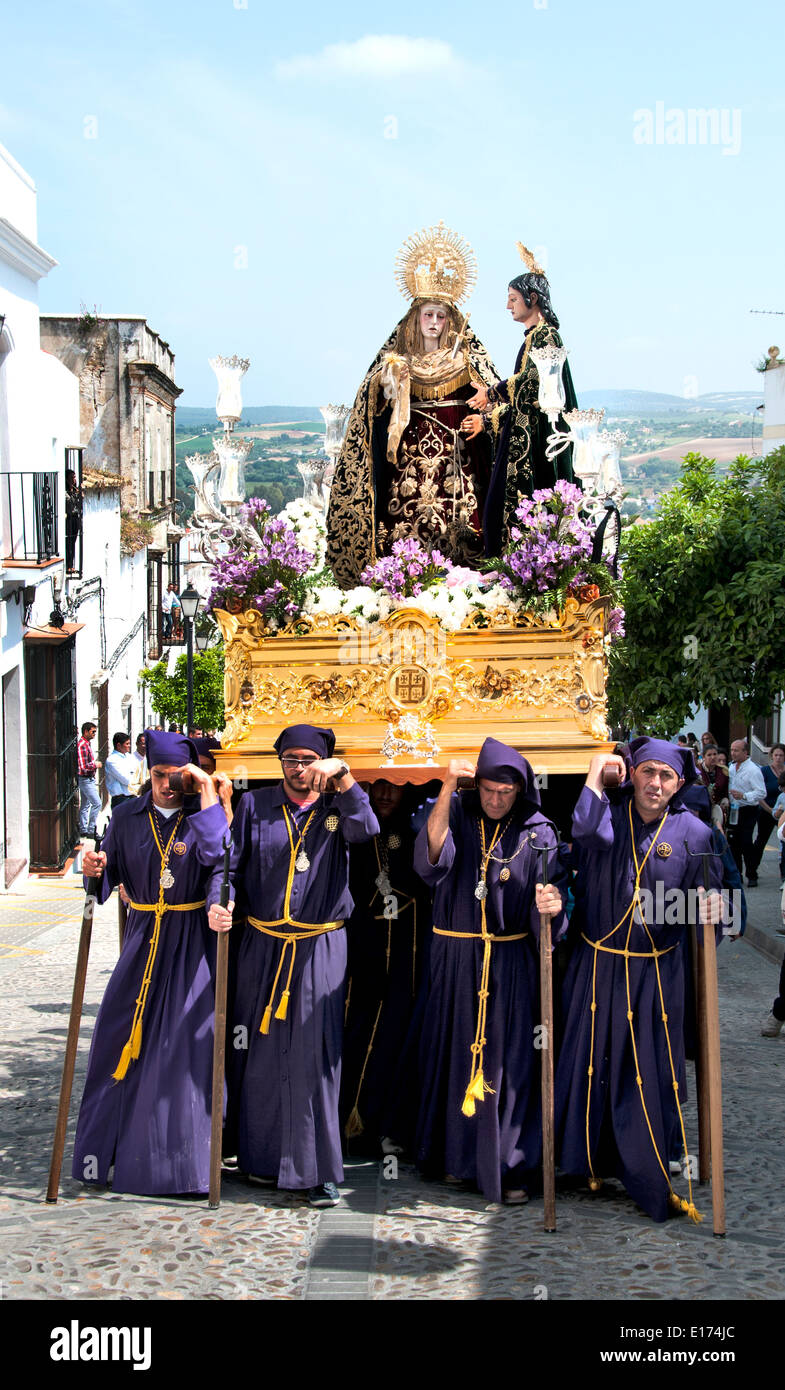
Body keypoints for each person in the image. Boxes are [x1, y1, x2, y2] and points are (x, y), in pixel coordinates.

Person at [208, 724, 379, 1207]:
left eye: (308, 760)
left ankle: (317, 1168)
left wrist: (343, 778)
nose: (298, 768)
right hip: (261, 945)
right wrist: (217, 903)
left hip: (320, 946)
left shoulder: (338, 805)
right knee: (257, 1055)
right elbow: (229, 868)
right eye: (290, 759)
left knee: (315, 1055)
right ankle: (260, 1160)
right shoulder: (254, 806)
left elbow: (367, 830)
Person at [555, 738, 723, 1224]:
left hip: (656, 972)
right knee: (589, 1060)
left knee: (648, 1067)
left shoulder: (698, 834)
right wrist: (594, 772)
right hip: (599, 965)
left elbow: (713, 900)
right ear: (633, 774)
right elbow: (582, 829)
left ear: (679, 784)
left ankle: (646, 1164)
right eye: (647, 772)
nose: (654, 784)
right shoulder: (609, 816)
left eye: (665, 777)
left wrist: (712, 907)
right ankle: (583, 1160)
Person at [71, 730, 228, 1195]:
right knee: (118, 1042)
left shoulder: (203, 815)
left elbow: (220, 859)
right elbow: (107, 876)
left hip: (191, 947)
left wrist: (204, 794)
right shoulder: (125, 817)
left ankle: (181, 1167)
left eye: (174, 777)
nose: (165, 785)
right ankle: (108, 1154)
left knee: (183, 1052)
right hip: (141, 945)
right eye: (158, 775)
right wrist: (95, 872)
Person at [409, 739, 566, 1204]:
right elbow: (431, 856)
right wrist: (447, 786)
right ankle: (455, 1160)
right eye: (488, 790)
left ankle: (509, 1165)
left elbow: (555, 898)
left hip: (509, 964)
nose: (495, 800)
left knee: (509, 1063)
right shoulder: (454, 812)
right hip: (454, 959)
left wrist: (552, 906)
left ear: (520, 791)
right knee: (453, 1054)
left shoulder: (539, 832)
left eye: (505, 792)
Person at [326, 221, 499, 585]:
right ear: (415, 319)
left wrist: (484, 422)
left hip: (458, 461)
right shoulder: (398, 356)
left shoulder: (467, 358)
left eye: (441, 316)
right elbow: (370, 403)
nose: (434, 323)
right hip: (408, 465)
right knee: (402, 534)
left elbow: (494, 399)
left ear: (450, 320)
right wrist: (390, 381)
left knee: (463, 535)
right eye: (428, 315)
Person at [463, 246, 578, 555]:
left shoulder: (546, 337)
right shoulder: (533, 338)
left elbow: (530, 384)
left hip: (540, 442)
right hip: (525, 437)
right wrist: (490, 416)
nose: (507, 306)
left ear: (533, 299)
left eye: (513, 299)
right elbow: (522, 401)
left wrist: (491, 393)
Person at [340, 779, 430, 1154]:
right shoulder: (350, 830)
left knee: (400, 1033)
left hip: (409, 952)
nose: (385, 794)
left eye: (394, 786)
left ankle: (391, 1126)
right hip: (363, 951)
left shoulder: (418, 829)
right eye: (377, 785)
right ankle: (349, 1121)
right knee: (358, 1030)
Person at [727, 738, 767, 886]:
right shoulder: (731, 767)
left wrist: (744, 795)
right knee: (734, 843)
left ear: (745, 752)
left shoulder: (753, 770)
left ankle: (752, 874)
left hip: (748, 809)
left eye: (736, 750)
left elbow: (761, 793)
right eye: (732, 750)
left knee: (746, 842)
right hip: (734, 809)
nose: (733, 753)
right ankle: (737, 874)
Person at [748, 743, 785, 880]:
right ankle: (752, 871)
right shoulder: (764, 771)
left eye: (781, 755)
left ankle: (784, 873)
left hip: (783, 813)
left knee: (784, 841)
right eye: (776, 755)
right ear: (771, 756)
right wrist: (770, 810)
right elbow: (759, 793)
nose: (778, 758)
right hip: (766, 810)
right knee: (761, 841)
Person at [77, 721, 101, 837]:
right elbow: (82, 766)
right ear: (86, 731)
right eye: (93, 732)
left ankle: (83, 829)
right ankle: (91, 830)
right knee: (97, 803)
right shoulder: (82, 745)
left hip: (88, 778)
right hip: (85, 779)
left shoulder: (86, 744)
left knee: (85, 805)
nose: (94, 734)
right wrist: (95, 765)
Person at [104, 731, 137, 809]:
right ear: (119, 745)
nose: (129, 746)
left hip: (133, 797)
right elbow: (126, 779)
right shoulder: (112, 760)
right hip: (121, 799)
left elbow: (138, 772)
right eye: (127, 744)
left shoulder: (130, 757)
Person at [699, 743, 730, 825]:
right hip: (700, 808)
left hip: (717, 809)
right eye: (709, 755)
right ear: (703, 757)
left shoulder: (724, 771)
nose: (712, 757)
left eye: (715, 754)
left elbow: (725, 792)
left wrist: (725, 800)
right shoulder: (697, 770)